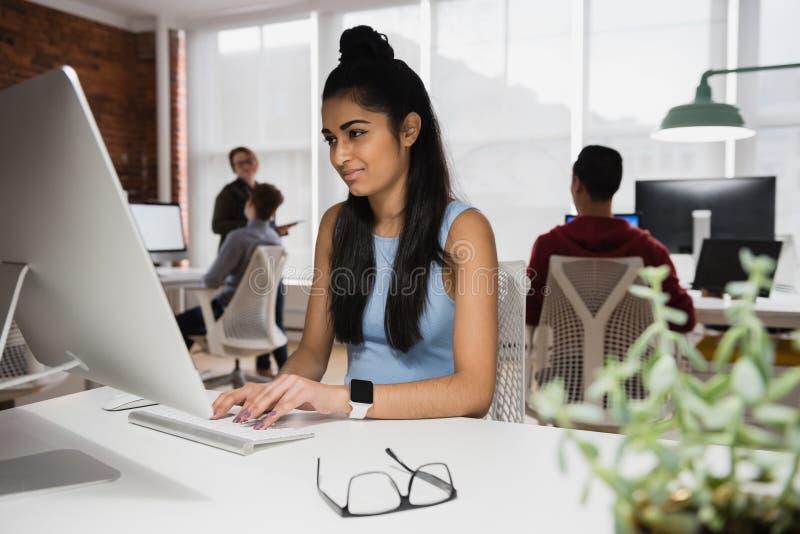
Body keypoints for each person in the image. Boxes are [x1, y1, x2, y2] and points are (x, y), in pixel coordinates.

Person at [211, 25, 499, 428]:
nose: (339, 155)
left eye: (356, 133)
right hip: (357, 438)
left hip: (442, 445)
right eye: (331, 138)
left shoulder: (465, 231)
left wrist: (344, 398)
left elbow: (474, 393)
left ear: (409, 130)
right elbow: (312, 354)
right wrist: (271, 393)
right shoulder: (336, 225)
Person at [525, 145, 696, 333]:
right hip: (631, 361)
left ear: (577, 183)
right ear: (615, 186)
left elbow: (530, 313)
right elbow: (684, 318)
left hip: (565, 361)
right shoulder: (649, 250)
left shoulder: (548, 246)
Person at [212, 147, 294, 375]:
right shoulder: (228, 194)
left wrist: (272, 230)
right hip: (240, 260)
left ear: (255, 162)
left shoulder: (263, 192)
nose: (245, 166)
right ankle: (273, 369)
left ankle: (276, 369)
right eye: (239, 163)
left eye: (248, 160)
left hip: (266, 261)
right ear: (234, 168)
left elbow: (266, 224)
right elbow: (217, 226)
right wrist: (250, 226)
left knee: (270, 318)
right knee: (257, 315)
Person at [176, 183, 284, 348]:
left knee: (175, 323)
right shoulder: (275, 239)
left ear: (250, 204)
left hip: (227, 315)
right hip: (257, 319)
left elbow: (212, 281)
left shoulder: (238, 238)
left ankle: (183, 372)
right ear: (273, 211)